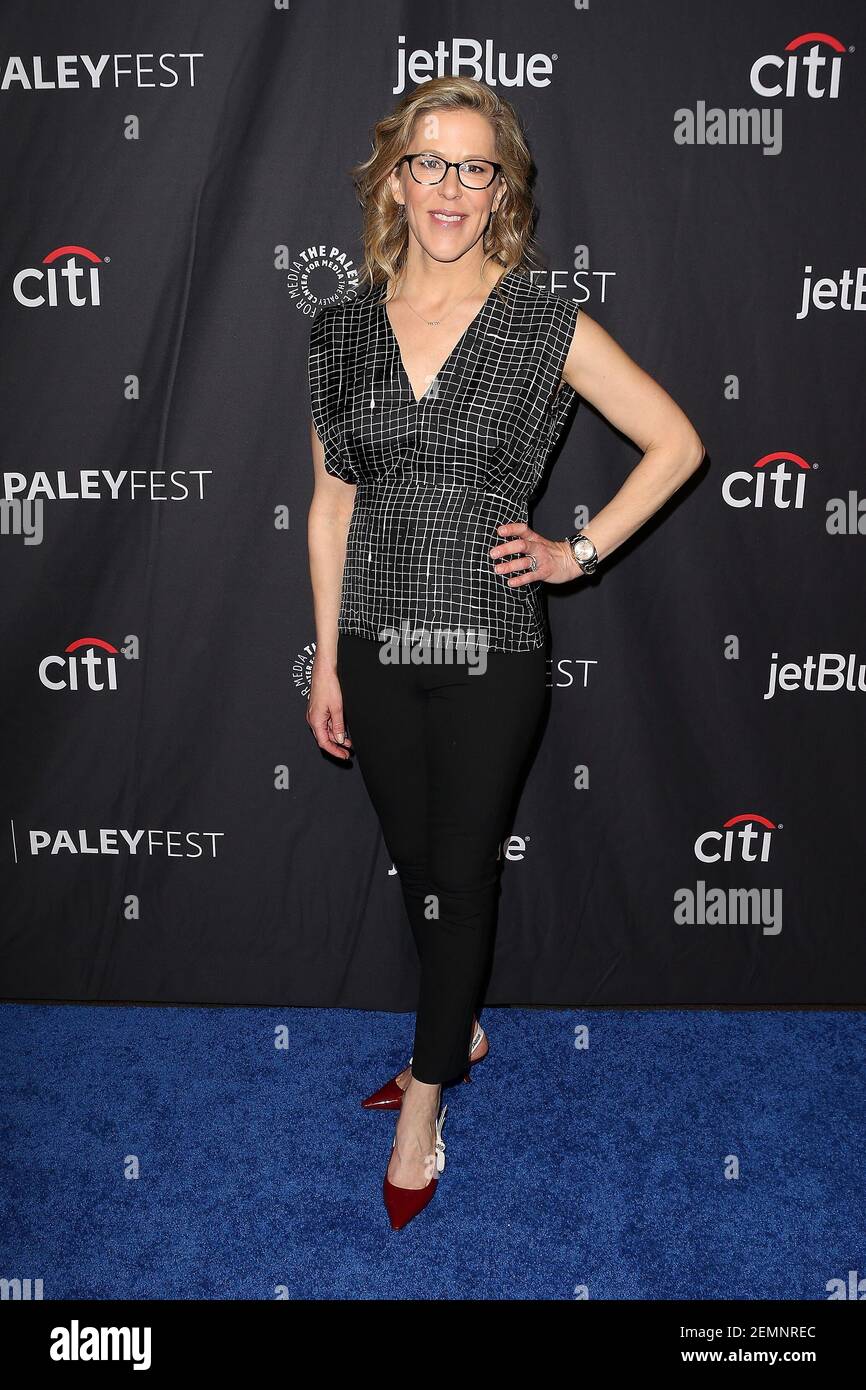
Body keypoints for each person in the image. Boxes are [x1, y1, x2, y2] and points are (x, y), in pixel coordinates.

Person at [306, 76, 704, 1230]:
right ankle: (458, 1023)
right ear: (395, 175)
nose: (447, 187)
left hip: (488, 640)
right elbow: (330, 504)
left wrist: (579, 550)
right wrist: (327, 656)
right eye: (428, 161)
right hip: (373, 637)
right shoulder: (338, 328)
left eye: (473, 167)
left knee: (464, 868)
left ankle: (425, 1100)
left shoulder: (543, 317)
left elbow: (674, 440)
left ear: (500, 191)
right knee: (422, 865)